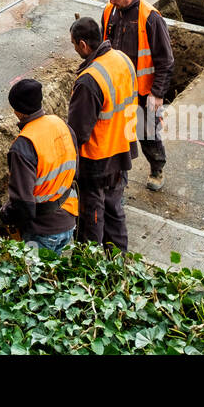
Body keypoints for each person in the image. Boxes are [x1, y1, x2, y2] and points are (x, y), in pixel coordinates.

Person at [67, 16, 139, 251]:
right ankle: (119, 260)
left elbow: (78, 131)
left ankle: (91, 264)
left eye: (74, 44)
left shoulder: (89, 81)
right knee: (115, 208)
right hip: (123, 150)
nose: (75, 49)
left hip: (98, 160)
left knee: (92, 215)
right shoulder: (123, 59)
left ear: (83, 45)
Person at [100, 0, 175, 192]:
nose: (110, 1)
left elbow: (166, 60)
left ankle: (157, 169)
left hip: (143, 91)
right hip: (117, 88)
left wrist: (158, 93)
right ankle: (117, 172)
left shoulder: (150, 17)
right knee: (115, 130)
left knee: (147, 131)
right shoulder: (109, 12)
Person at [0, 78, 78, 253]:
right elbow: (75, 170)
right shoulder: (60, 124)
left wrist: (4, 215)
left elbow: (23, 205)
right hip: (68, 219)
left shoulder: (24, 145)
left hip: (42, 232)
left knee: (34, 279)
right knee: (51, 273)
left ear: (17, 111)